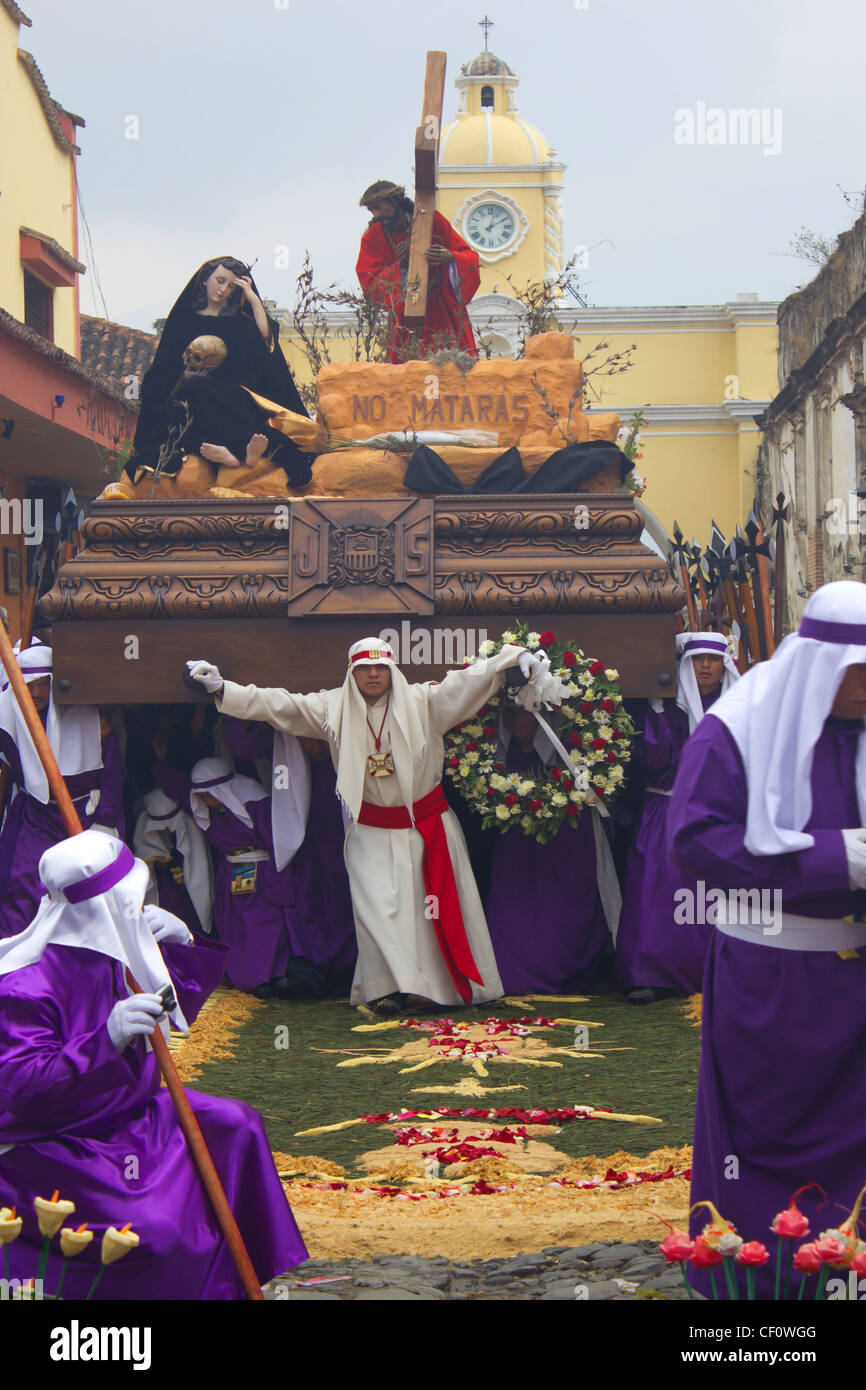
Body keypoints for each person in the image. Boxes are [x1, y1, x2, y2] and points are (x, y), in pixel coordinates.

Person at [0, 830, 307, 1299]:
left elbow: (169, 1009)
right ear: (103, 907)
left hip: (132, 1111)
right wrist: (103, 1040)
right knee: (157, 1228)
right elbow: (21, 1090)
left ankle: (236, 1281)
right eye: (130, 898)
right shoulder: (26, 987)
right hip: (63, 1139)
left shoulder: (115, 952)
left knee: (237, 1124)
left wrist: (181, 943)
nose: (137, 907)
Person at [668, 583, 866, 1296]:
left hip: (856, 975)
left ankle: (853, 1271)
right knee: (763, 1139)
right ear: (820, 664)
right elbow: (695, 840)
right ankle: (762, 1278)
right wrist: (835, 858)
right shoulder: (736, 730)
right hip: (772, 972)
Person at [186, 636, 542, 1015]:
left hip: (426, 826)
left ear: (392, 670)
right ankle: (390, 988)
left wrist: (512, 657)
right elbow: (279, 704)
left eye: (381, 667)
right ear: (352, 672)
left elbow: (467, 680)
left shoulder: (426, 702)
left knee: (427, 913)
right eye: (364, 668)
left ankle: (433, 988)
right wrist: (223, 688)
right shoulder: (332, 707)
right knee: (377, 914)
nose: (373, 674)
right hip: (370, 831)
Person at [615, 631, 739, 1003]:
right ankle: (649, 974)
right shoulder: (667, 709)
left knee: (711, 896)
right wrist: (655, 710)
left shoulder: (737, 707)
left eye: (713, 660)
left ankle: (717, 970)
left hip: (720, 814)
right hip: (665, 810)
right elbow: (653, 760)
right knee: (654, 892)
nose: (705, 666)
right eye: (697, 659)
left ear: (724, 665)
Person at [126, 256, 312, 487]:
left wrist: (252, 298)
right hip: (190, 396)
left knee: (233, 402)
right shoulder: (183, 323)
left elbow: (266, 342)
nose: (223, 290)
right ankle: (236, 454)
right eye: (220, 281)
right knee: (196, 391)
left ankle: (237, 455)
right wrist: (183, 378)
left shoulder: (238, 323)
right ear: (205, 280)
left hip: (230, 398)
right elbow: (161, 371)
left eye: (231, 286)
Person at [153, 748, 322, 999]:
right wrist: (159, 760)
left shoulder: (257, 803)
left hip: (265, 875)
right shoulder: (208, 804)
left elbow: (279, 843)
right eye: (201, 795)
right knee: (236, 929)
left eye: (208, 794)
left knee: (266, 928)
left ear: (223, 789)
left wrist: (278, 883)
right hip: (232, 877)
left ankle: (273, 976)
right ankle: (248, 980)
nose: (205, 800)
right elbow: (178, 787)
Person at [484, 704, 616, 993]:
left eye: (527, 715)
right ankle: (512, 971)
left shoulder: (566, 754)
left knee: (564, 905)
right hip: (516, 841)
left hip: (567, 838)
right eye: (514, 715)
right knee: (514, 903)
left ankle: (564, 968)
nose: (519, 722)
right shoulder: (501, 757)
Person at [222, 717, 357, 991]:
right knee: (307, 901)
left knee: (347, 898)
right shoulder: (285, 748)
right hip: (303, 840)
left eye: (316, 738)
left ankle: (352, 966)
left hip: (344, 838)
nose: (311, 745)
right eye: (303, 738)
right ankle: (313, 969)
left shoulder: (348, 748)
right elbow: (242, 745)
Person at [0, 645, 124, 938]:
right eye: (31, 684)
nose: (39, 691)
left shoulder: (91, 718)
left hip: (85, 813)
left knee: (89, 887)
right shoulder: (8, 720)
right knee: (24, 879)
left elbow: (114, 772)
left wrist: (105, 820)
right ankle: (13, 952)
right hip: (39, 813)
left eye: (45, 682)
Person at [356, 181, 480, 363]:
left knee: (455, 364)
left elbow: (469, 258)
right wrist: (401, 267)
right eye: (371, 210)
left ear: (394, 201)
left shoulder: (432, 220)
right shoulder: (373, 237)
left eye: (378, 207)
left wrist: (451, 258)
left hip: (442, 306)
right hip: (407, 313)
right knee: (407, 366)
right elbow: (371, 282)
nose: (376, 215)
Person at [133, 786, 214, 937]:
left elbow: (198, 866)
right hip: (164, 894)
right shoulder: (143, 831)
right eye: (160, 826)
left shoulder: (191, 830)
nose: (165, 829)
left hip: (189, 896)